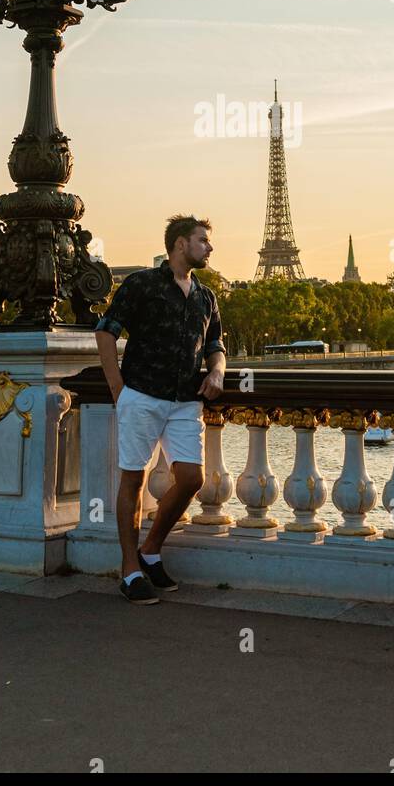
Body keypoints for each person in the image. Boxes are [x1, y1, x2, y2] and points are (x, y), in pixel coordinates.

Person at [94, 215, 226, 605]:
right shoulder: (142, 284)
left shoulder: (206, 296)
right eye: (203, 240)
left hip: (186, 399)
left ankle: (150, 551)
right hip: (143, 395)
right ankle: (129, 569)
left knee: (191, 478)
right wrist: (118, 389)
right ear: (181, 243)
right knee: (132, 481)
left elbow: (216, 343)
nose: (209, 247)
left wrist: (217, 372)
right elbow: (106, 331)